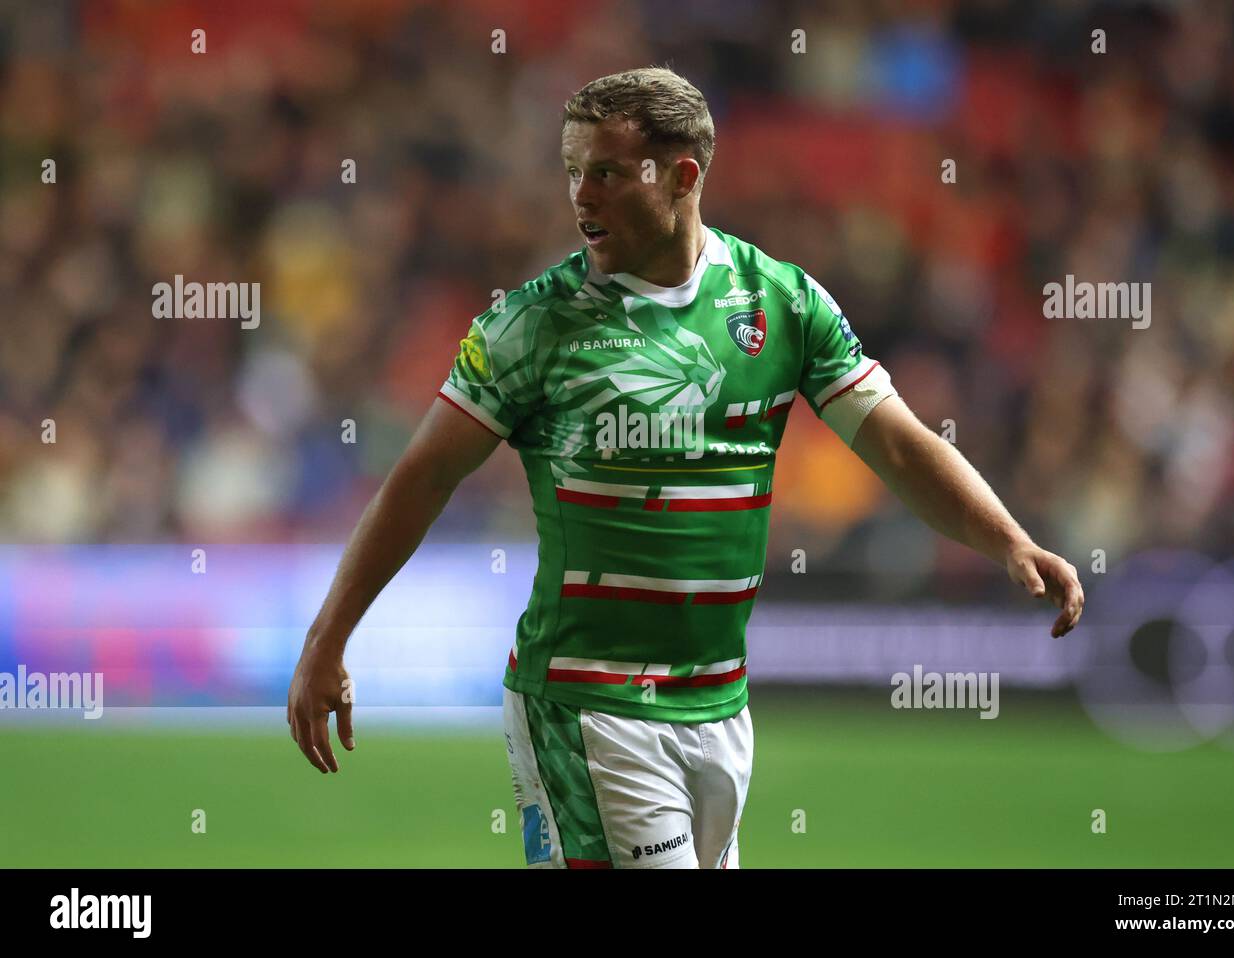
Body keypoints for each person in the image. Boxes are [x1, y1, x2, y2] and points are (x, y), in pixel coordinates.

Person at [287, 66, 1085, 869]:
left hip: (719, 707)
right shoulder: (533, 325)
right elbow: (421, 477)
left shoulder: (781, 304)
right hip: (588, 704)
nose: (580, 195)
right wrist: (330, 636)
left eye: (604, 171)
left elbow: (901, 444)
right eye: (571, 172)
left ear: (682, 176)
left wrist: (1009, 542)